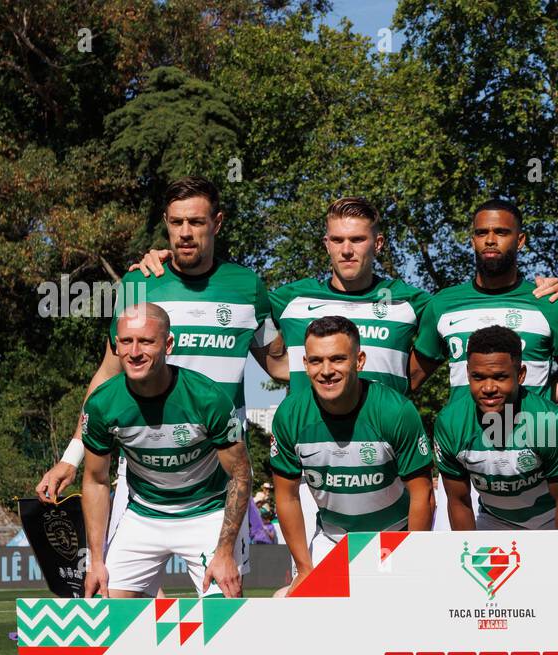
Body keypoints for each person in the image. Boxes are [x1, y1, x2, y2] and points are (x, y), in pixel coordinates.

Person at [36, 176, 288, 565]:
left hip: (218, 479)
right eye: (176, 222)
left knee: (222, 615)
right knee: (112, 607)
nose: (185, 233)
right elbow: (106, 375)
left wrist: (363, 378)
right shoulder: (140, 282)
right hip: (143, 477)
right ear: (166, 223)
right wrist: (73, 457)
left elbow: (278, 364)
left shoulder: (248, 287)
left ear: (217, 223)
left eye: (197, 222)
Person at [80, 302, 252, 598]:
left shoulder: (209, 398)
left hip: (207, 513)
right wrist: (96, 560)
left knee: (225, 620)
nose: (135, 352)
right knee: (104, 613)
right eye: (126, 341)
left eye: (146, 341)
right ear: (116, 345)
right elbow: (96, 481)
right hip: (143, 515)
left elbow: (241, 474)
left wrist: (225, 551)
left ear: (168, 344)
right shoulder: (101, 405)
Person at [269, 316, 432, 593]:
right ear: (305, 365)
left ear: (359, 361)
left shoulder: (394, 410)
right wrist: (305, 567)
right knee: (292, 607)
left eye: (337, 359)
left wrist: (409, 557)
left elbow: (423, 494)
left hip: (395, 534)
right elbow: (286, 496)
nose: (326, 370)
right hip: (333, 538)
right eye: (317, 361)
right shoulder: (289, 415)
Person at [411, 199, 558, 403]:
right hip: (463, 435)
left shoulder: (549, 304)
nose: (490, 240)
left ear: (520, 240)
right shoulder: (441, 305)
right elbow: (407, 382)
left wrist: (540, 397)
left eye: (501, 232)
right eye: (481, 233)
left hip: (529, 434)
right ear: (473, 241)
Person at [434, 326, 558, 530]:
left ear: (520, 375)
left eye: (500, 377)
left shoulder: (549, 422)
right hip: (495, 519)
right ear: (467, 374)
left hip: (553, 518)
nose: (488, 388)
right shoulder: (449, 423)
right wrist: (467, 554)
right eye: (478, 377)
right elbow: (459, 501)